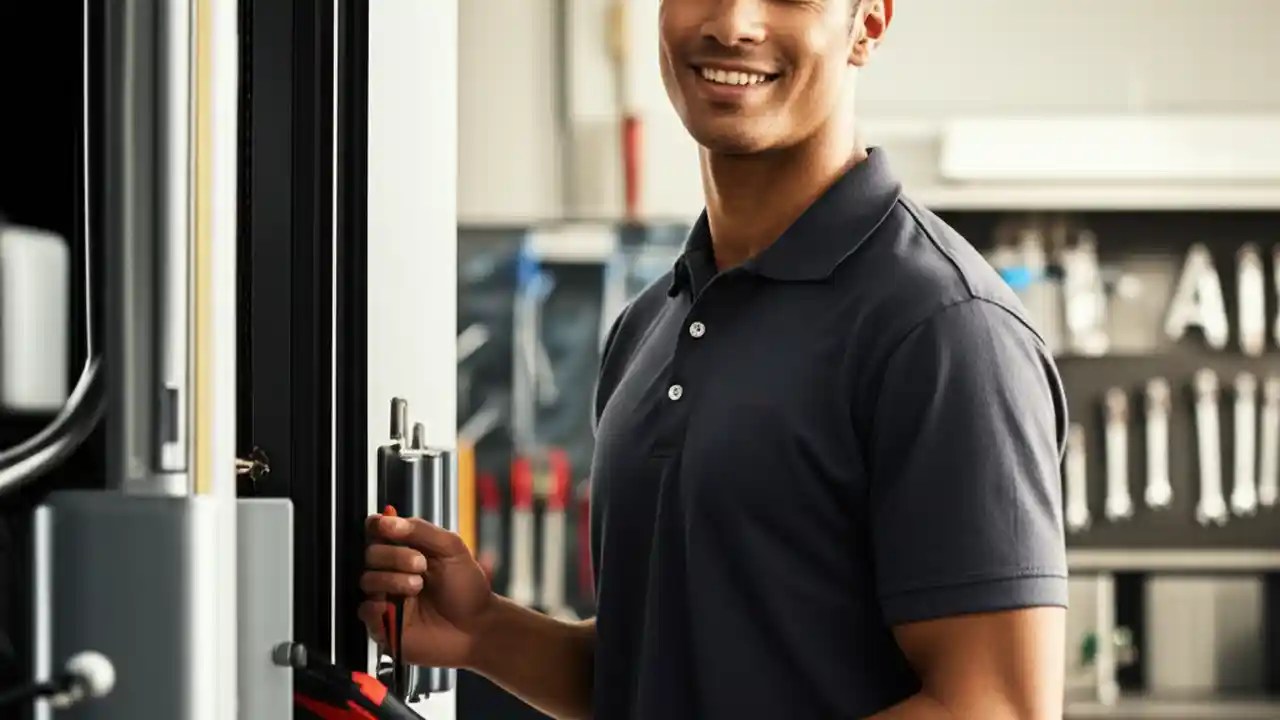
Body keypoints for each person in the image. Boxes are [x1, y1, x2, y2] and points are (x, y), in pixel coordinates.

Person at [360, 0, 1069, 717]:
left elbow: (994, 706)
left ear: (869, 23)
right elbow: (654, 673)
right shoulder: (649, 325)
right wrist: (485, 631)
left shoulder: (945, 330)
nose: (732, 23)